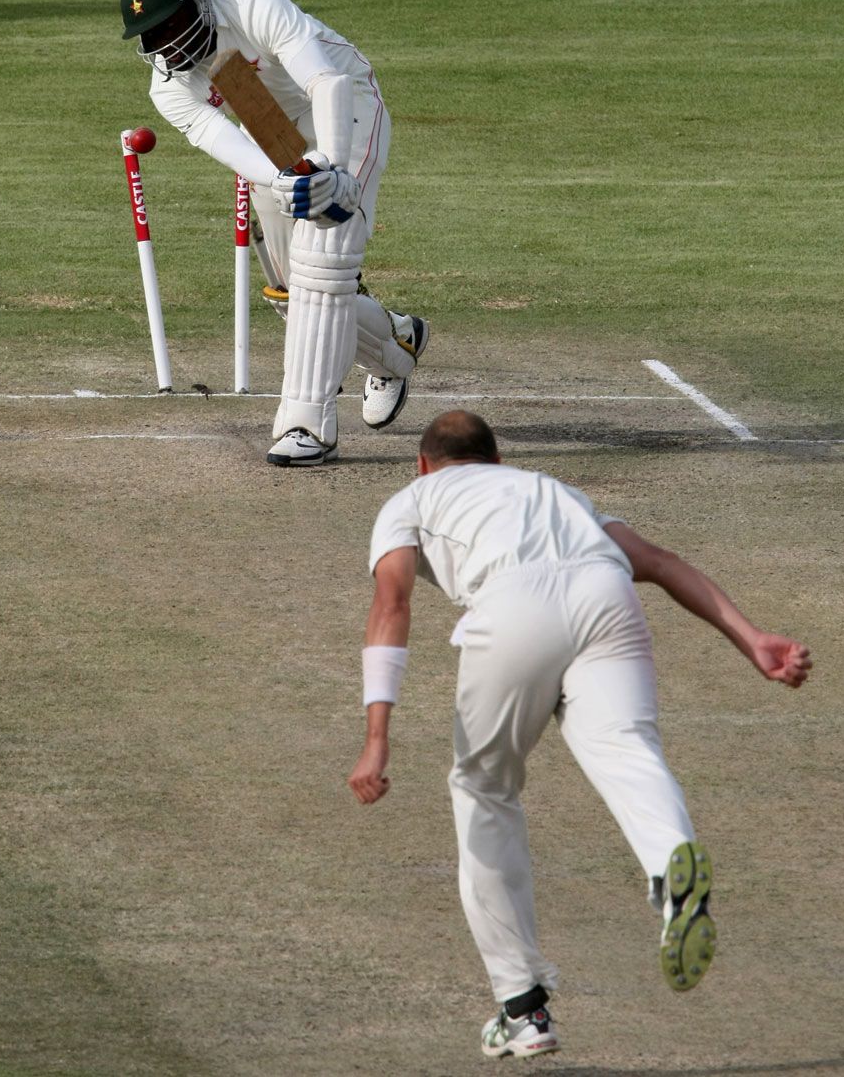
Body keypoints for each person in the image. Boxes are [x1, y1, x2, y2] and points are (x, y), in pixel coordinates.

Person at [348, 410, 812, 1060]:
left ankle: (522, 1008)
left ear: (422, 465)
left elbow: (391, 603)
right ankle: (671, 867)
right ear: (498, 460)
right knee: (627, 744)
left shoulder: (411, 499)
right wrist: (752, 637)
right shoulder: (553, 491)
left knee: (483, 789)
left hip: (513, 606)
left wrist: (377, 734)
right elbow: (658, 561)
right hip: (606, 593)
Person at [120, 0, 429, 466]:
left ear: (200, 2)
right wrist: (284, 179)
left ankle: (308, 426)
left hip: (348, 105)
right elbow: (224, 141)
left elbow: (326, 82)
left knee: (323, 255)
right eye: (153, 37)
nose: (168, 45)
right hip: (270, 134)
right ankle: (396, 345)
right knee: (293, 291)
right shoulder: (168, 88)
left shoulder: (255, 5)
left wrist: (331, 169)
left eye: (172, 26)